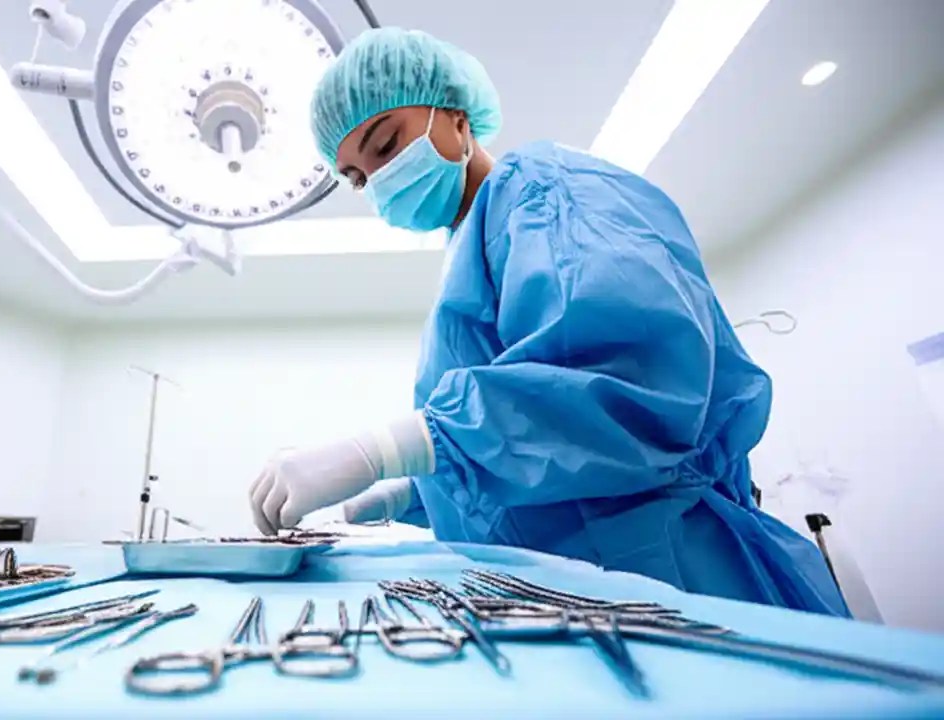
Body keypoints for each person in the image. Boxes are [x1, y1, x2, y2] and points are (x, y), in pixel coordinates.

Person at [247, 27, 849, 617]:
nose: (378, 181)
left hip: (674, 577)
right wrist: (407, 492)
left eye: (384, 146)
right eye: (357, 178)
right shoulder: (471, 252)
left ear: (456, 117)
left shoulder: (550, 195)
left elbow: (627, 388)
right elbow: (530, 461)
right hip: (582, 593)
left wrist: (383, 449)